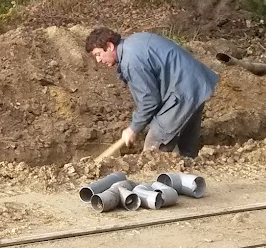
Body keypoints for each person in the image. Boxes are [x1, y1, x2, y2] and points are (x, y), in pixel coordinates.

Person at [85, 27, 218, 158]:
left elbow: (149, 100)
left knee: (153, 149)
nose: (98, 60)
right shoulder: (133, 42)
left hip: (183, 92)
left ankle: (158, 178)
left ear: (109, 46)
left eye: (98, 54)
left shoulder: (131, 62)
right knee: (186, 150)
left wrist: (133, 128)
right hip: (197, 85)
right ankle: (189, 175)